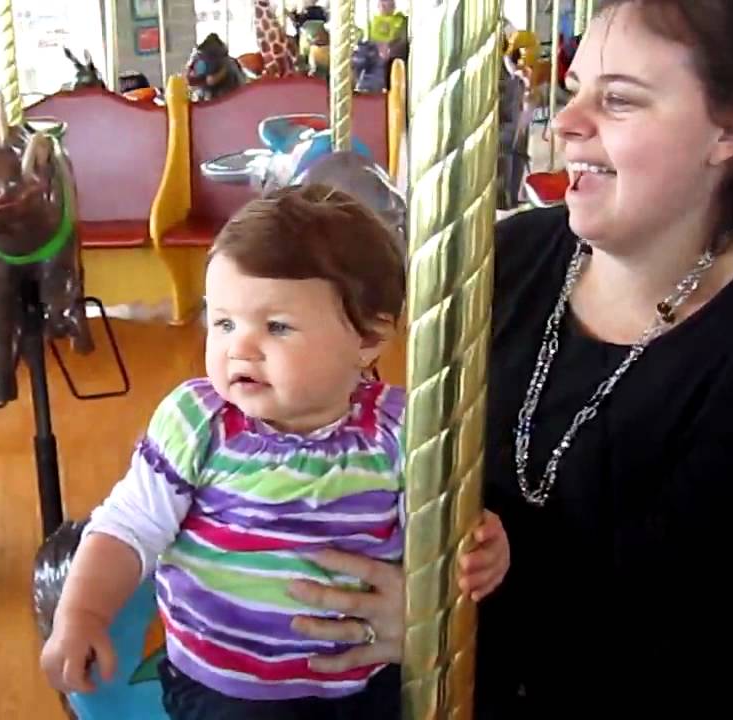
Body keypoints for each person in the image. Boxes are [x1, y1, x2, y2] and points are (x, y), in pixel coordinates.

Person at [287, 1, 733, 717]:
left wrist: (436, 622)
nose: (567, 122)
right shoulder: (509, 258)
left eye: (617, 99)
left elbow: (672, 612)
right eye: (574, 90)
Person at [39, 185, 511, 719]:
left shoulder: (401, 431)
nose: (239, 347)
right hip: (226, 691)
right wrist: (82, 612)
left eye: (277, 326)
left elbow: (435, 542)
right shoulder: (200, 421)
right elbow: (129, 526)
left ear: (368, 338)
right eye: (222, 323)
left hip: (364, 682)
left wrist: (481, 548)